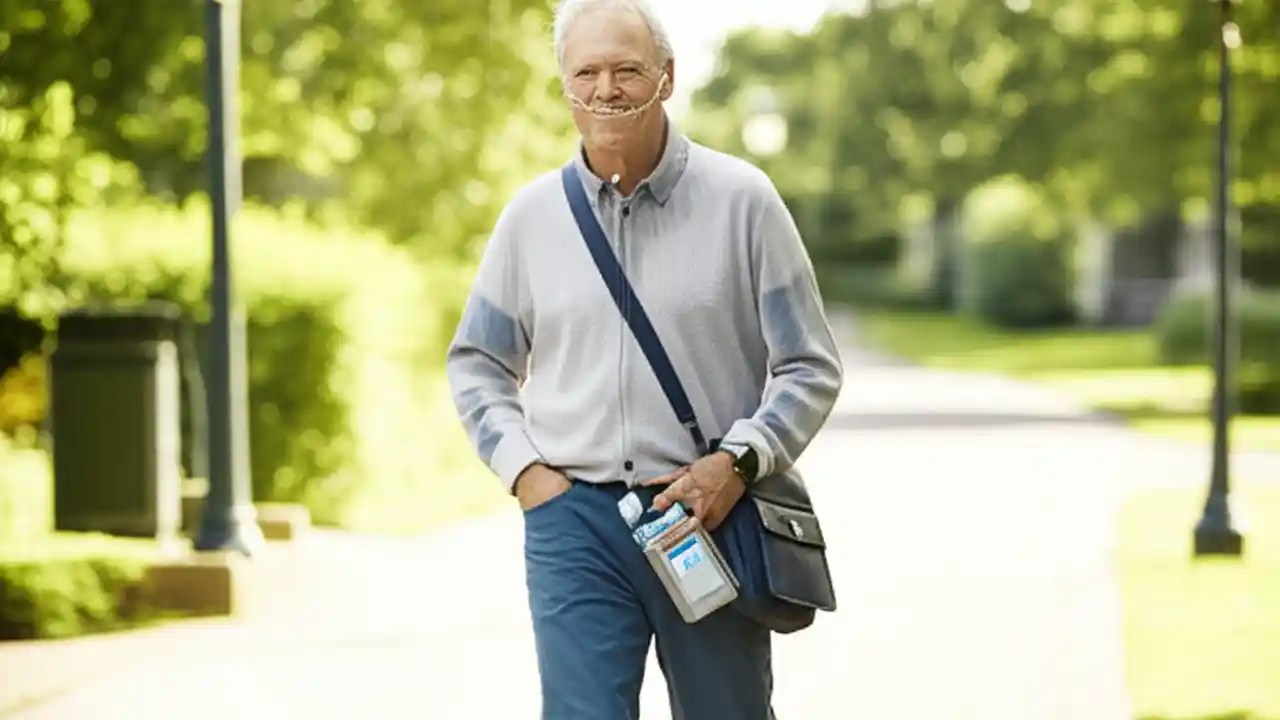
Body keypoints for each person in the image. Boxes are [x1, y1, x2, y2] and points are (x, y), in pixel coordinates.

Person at [445, 0, 843, 717]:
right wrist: (526, 473)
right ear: (566, 84)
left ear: (666, 77)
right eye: (587, 71)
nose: (606, 89)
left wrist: (739, 461)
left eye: (627, 70)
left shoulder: (743, 202)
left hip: (705, 515)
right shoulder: (530, 219)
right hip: (576, 525)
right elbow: (477, 362)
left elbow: (809, 365)